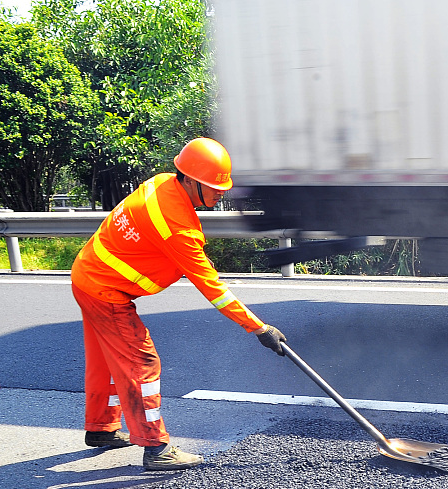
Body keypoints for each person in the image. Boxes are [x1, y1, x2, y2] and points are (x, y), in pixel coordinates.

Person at [71, 137, 288, 471]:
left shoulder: (160, 183)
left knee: (104, 360)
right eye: (214, 188)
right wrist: (258, 328)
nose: (220, 195)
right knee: (141, 363)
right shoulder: (178, 229)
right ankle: (156, 448)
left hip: (88, 273)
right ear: (190, 180)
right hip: (105, 291)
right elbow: (213, 289)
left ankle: (102, 428)